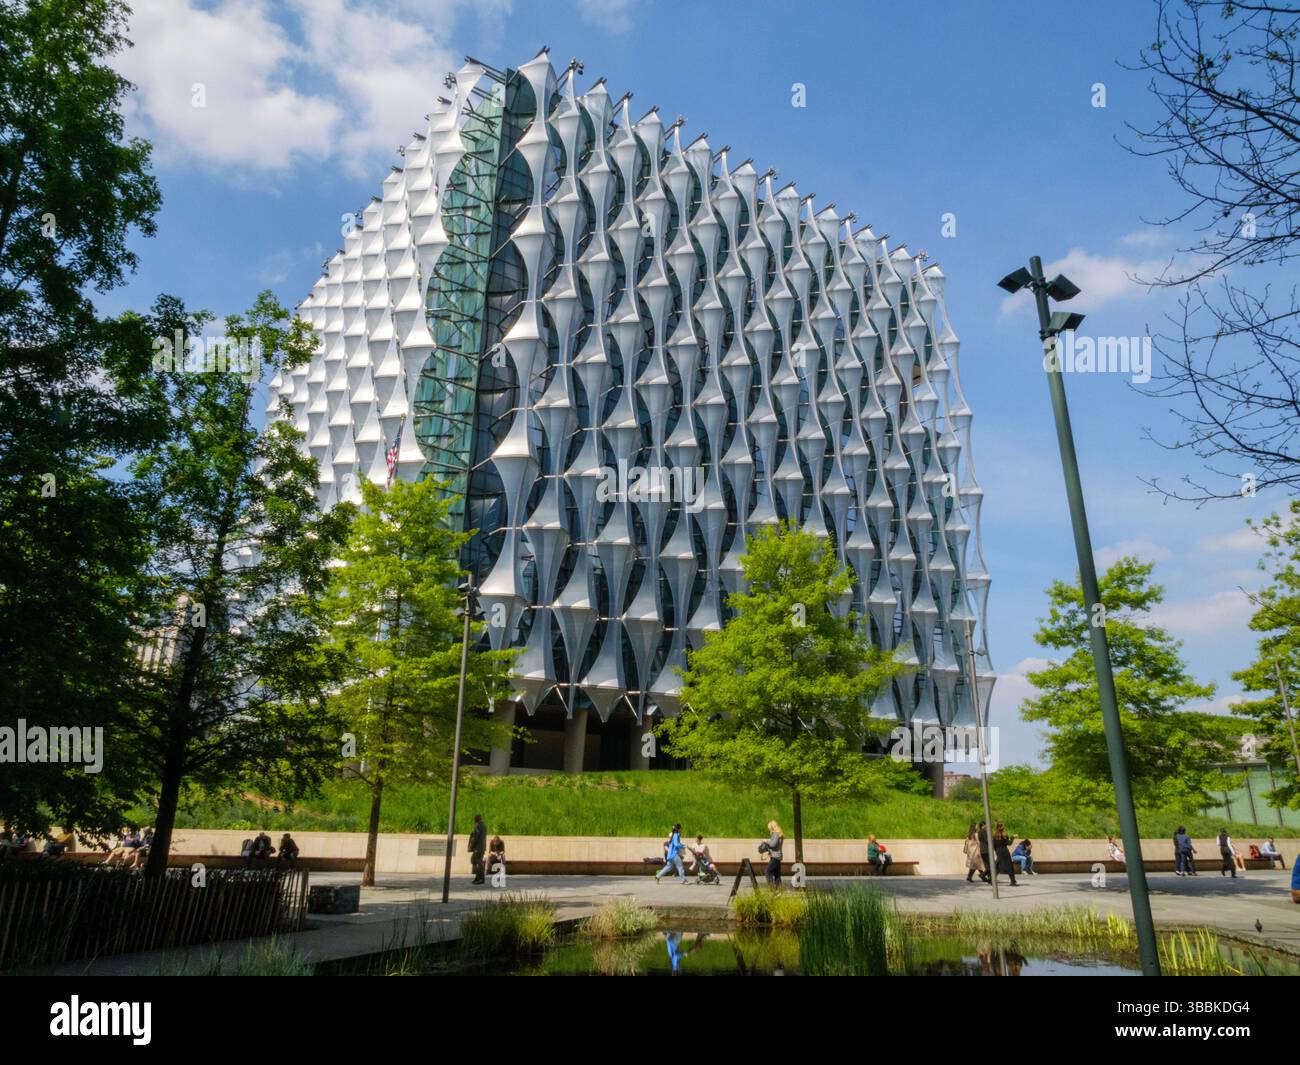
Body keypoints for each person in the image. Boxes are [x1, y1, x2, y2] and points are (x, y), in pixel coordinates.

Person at [758, 820, 783, 888]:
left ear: (772, 827)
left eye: (769, 828)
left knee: (767, 871)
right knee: (777, 874)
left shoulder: (776, 834)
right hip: (777, 856)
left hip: (775, 857)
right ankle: (779, 890)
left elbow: (773, 844)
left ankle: (773, 889)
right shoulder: (778, 834)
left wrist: (766, 840)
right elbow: (774, 845)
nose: (769, 830)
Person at [469, 813, 487, 885]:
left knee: (478, 863)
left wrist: (471, 846)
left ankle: (480, 879)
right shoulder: (484, 826)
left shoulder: (478, 826)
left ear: (477, 819)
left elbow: (475, 838)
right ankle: (478, 878)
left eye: (475, 819)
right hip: (482, 847)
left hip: (478, 848)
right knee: (477, 862)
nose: (474, 820)